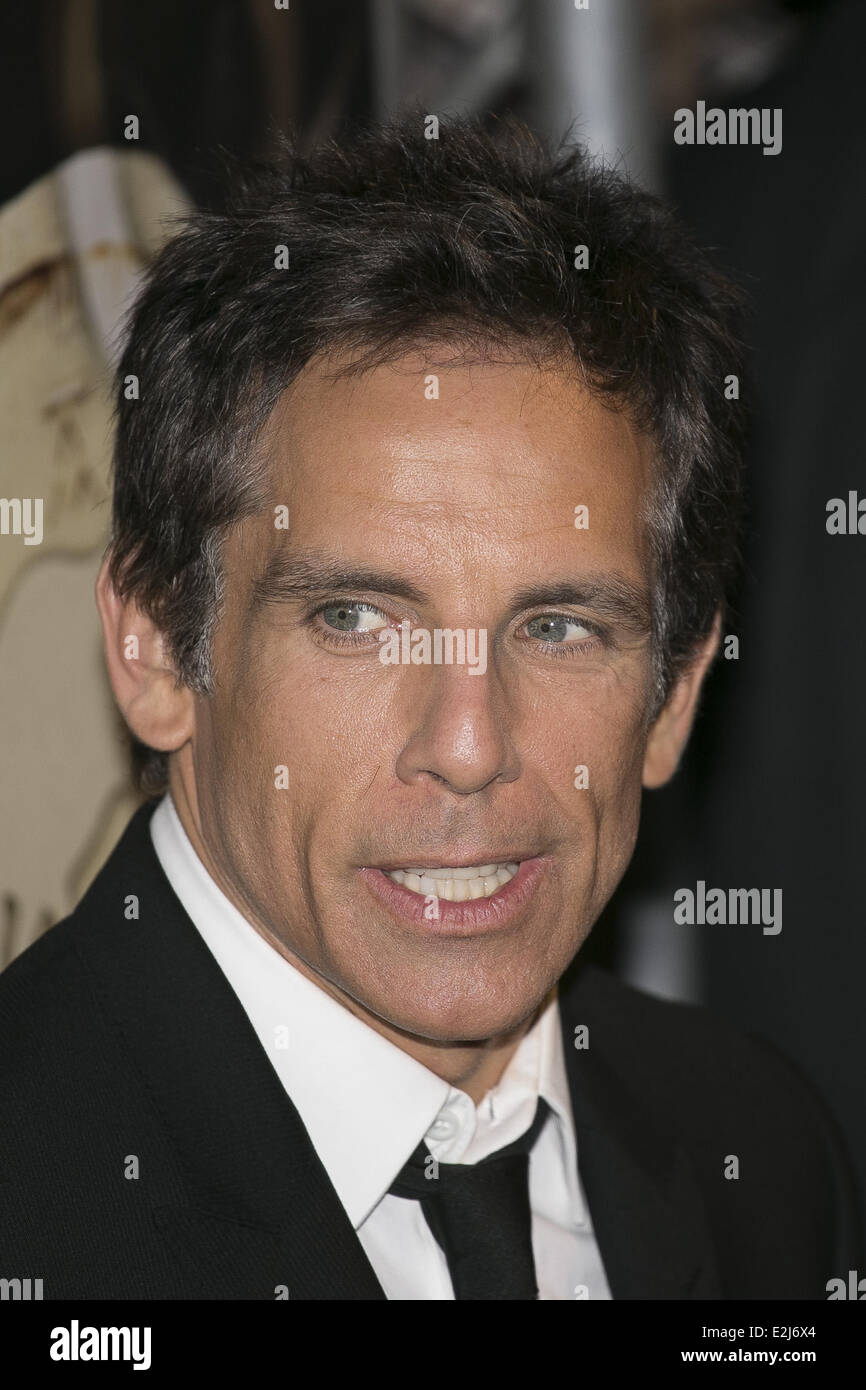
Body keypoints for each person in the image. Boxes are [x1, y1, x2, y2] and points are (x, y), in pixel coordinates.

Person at [0, 115, 858, 1300]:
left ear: (672, 696)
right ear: (153, 646)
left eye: (557, 628)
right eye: (356, 618)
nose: (467, 747)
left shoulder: (760, 1155)